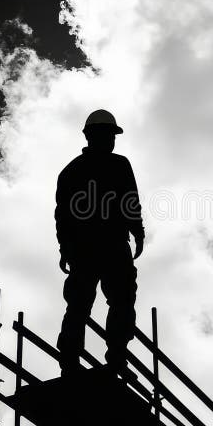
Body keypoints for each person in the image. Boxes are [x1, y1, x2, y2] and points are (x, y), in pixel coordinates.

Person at [55, 109, 144, 376]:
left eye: (111, 135)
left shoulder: (72, 171)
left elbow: (130, 202)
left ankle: (109, 358)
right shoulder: (113, 166)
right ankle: (82, 361)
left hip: (92, 248)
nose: (111, 140)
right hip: (100, 247)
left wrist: (137, 230)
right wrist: (137, 231)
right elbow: (64, 216)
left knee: (112, 302)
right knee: (94, 304)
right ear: (91, 136)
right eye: (107, 134)